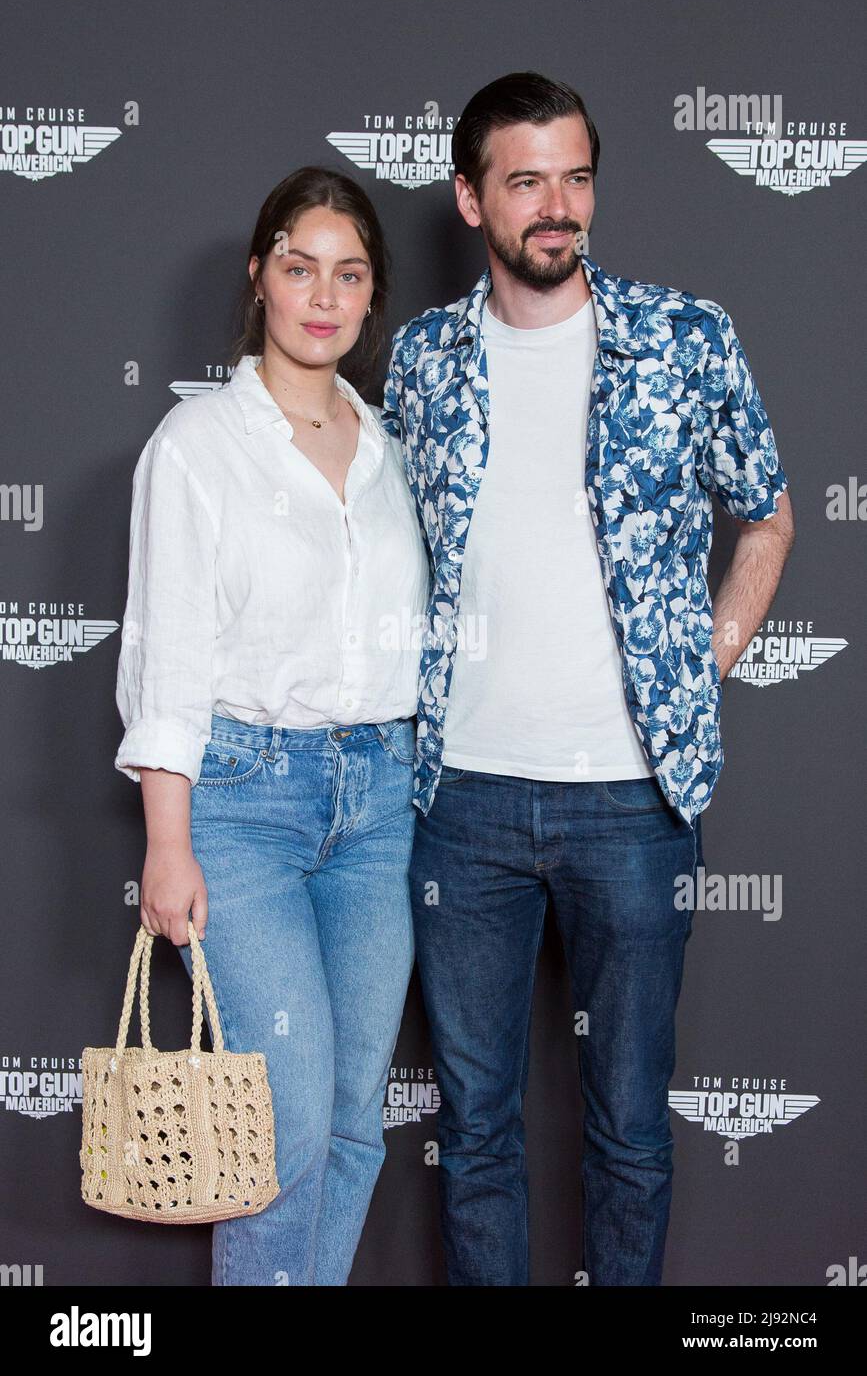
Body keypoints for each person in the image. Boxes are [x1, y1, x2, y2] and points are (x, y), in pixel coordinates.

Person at [382, 72, 794, 1286]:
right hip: (459, 801)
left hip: (634, 799)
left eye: (575, 176)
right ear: (470, 198)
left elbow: (766, 517)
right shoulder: (420, 361)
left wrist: (706, 657)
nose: (558, 207)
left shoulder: (685, 335)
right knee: (480, 1131)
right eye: (526, 181)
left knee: (628, 1130)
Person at [114, 166, 429, 1286]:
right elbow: (167, 655)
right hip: (246, 804)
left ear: (372, 296)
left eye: (349, 274)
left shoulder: (394, 451)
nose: (323, 296)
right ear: (260, 279)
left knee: (352, 1122)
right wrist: (167, 837)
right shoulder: (198, 446)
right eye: (300, 267)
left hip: (381, 805)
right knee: (285, 1126)